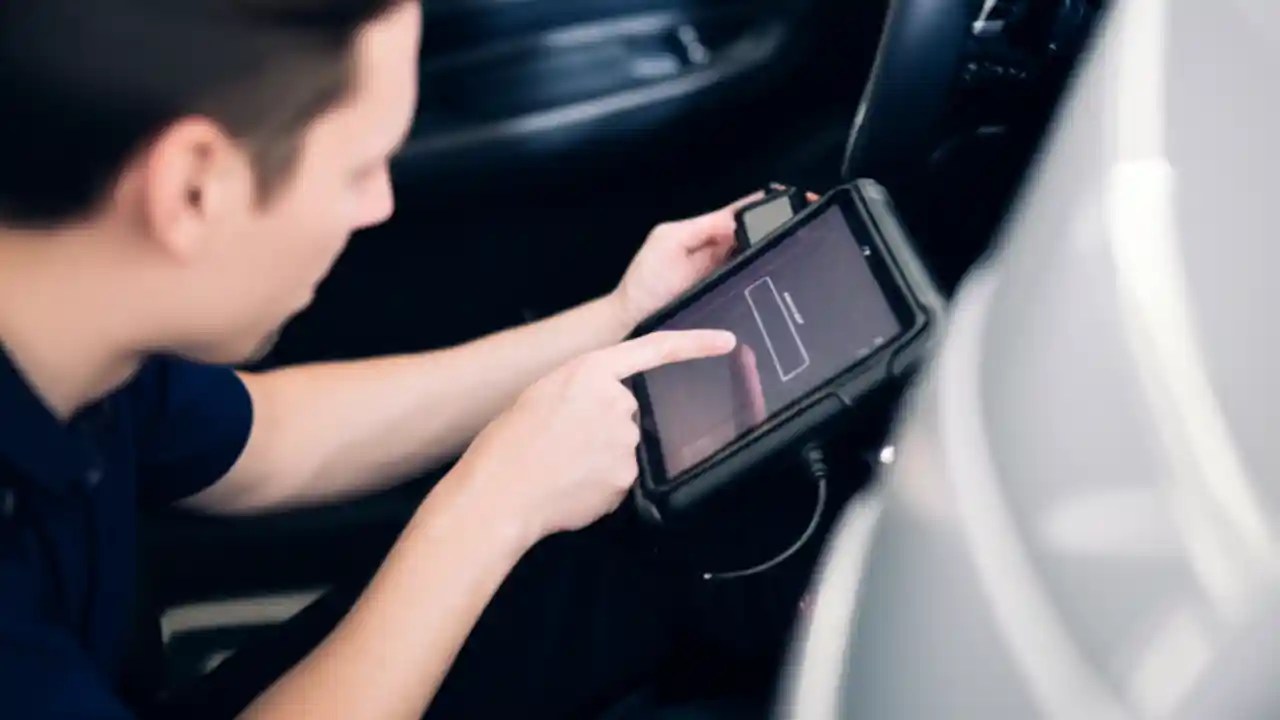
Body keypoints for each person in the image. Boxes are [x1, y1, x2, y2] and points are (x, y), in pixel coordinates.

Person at [0, 1, 812, 718]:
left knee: (618, 572)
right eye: (357, 168)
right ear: (191, 191)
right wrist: (491, 509)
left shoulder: (80, 341)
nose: (380, 204)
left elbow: (271, 436)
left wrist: (615, 321)